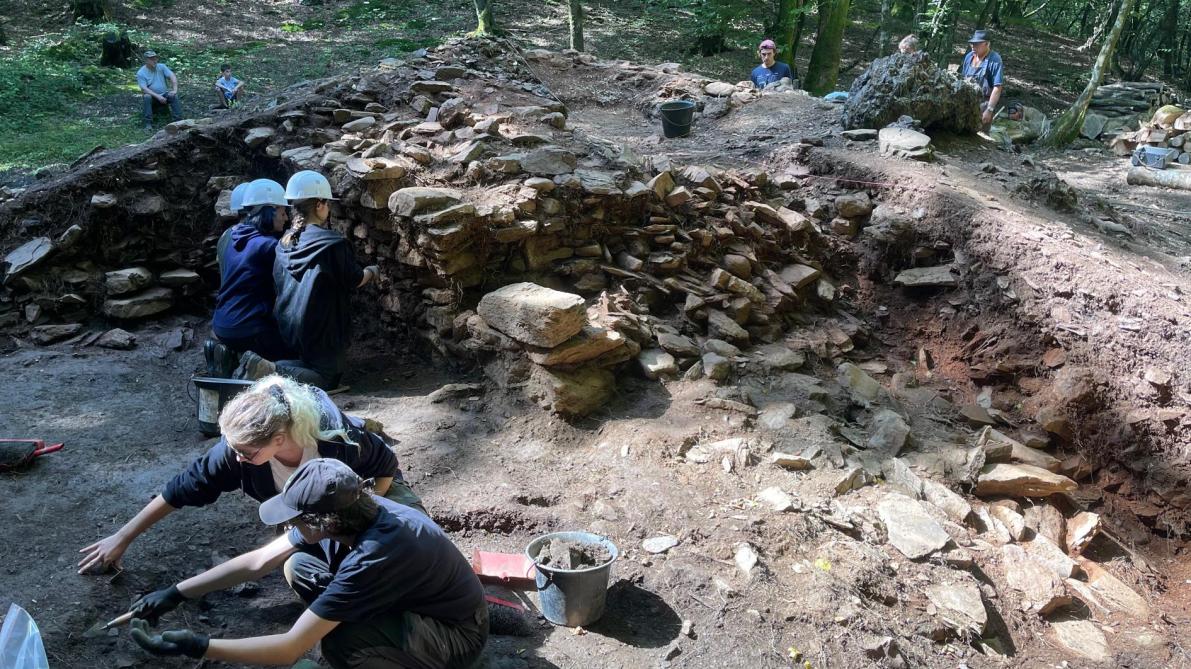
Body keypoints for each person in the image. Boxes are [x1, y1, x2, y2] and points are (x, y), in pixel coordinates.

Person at [125, 458, 487, 669]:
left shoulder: (374, 556)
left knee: (341, 642)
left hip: (457, 636)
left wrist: (200, 645)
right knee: (297, 565)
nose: (287, 526)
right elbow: (259, 561)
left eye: (293, 519)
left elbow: (289, 649)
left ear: (323, 522)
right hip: (422, 599)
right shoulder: (357, 512)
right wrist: (175, 593)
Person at [77, 375, 422, 575]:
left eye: (245, 452)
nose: (237, 458)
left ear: (278, 439)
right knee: (310, 568)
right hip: (316, 518)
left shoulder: (336, 439)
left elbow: (385, 466)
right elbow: (181, 489)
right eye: (233, 448)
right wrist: (122, 537)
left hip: (363, 495)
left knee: (403, 541)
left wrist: (367, 510)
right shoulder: (236, 453)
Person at [236, 171, 379, 390]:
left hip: (292, 329)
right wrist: (373, 270)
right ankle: (272, 371)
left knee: (307, 364)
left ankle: (260, 365)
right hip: (323, 332)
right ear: (320, 204)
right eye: (328, 204)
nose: (329, 208)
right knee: (326, 379)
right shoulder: (332, 244)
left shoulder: (283, 242)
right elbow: (355, 279)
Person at [207, 179, 296, 371]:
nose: (286, 218)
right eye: (282, 212)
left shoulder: (231, 236)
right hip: (249, 329)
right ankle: (249, 368)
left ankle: (231, 355)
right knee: (296, 356)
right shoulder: (268, 246)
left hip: (221, 324)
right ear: (269, 212)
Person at [961, 30, 1004, 129]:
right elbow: (962, 79)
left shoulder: (995, 60)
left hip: (983, 105)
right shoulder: (968, 57)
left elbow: (997, 87)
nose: (973, 46)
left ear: (987, 44)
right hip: (965, 102)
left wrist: (989, 110)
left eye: (977, 44)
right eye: (972, 43)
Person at [136, 50, 182, 130]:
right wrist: (158, 97)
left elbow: (172, 76)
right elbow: (144, 89)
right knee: (147, 97)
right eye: (151, 59)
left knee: (174, 96)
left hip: (164, 94)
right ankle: (148, 123)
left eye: (155, 58)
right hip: (153, 97)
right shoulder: (141, 72)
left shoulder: (161, 66)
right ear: (146, 60)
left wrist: (174, 90)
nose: (155, 60)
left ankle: (178, 121)